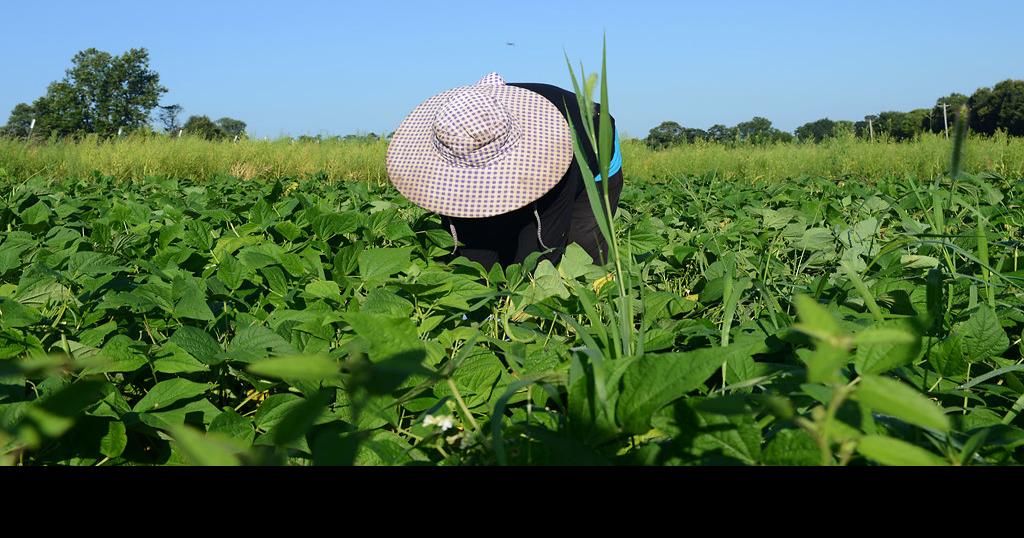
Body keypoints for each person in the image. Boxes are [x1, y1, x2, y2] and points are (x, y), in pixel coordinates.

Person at [386, 72, 623, 271]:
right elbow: (471, 250)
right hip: (521, 137)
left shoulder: (554, 151)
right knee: (483, 247)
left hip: (593, 143)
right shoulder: (457, 128)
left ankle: (591, 316)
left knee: (579, 251)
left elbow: (542, 250)